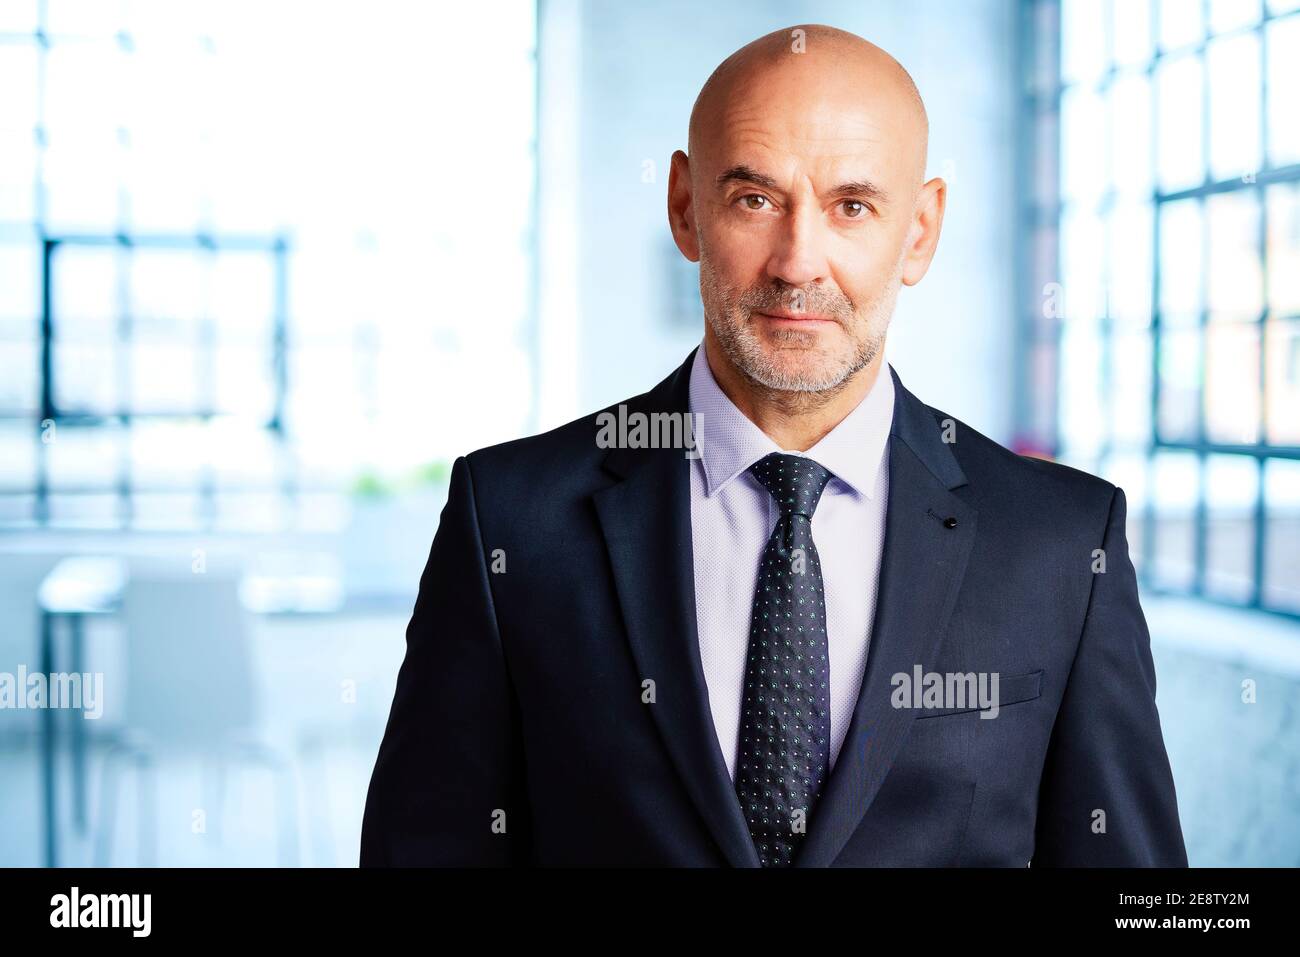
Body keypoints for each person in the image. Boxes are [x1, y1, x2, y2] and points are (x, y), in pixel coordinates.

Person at [360, 24, 1187, 867]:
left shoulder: (1062, 543)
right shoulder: (509, 518)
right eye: (755, 199)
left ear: (920, 230)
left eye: (852, 206)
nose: (798, 263)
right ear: (685, 206)